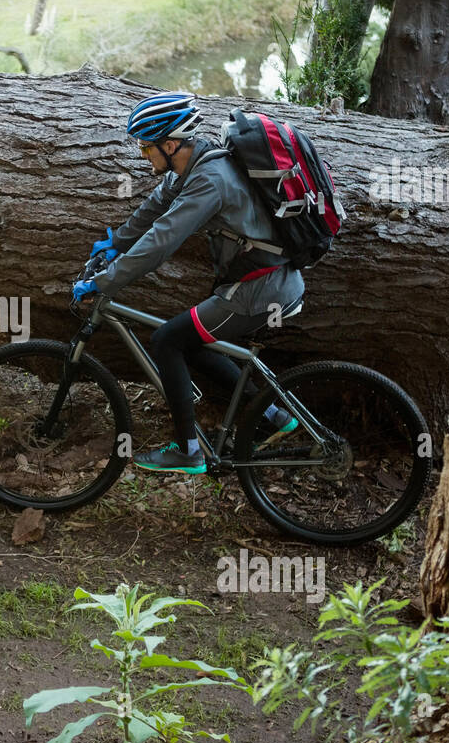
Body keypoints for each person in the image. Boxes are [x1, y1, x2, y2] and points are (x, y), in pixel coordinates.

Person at [71, 92, 301, 474]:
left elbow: (163, 239)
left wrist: (104, 282)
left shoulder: (210, 179)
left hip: (260, 292)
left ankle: (188, 450)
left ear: (171, 143)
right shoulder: (197, 163)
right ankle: (275, 417)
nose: (144, 155)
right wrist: (116, 243)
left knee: (166, 340)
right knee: (190, 343)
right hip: (261, 283)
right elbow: (155, 209)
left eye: (147, 148)